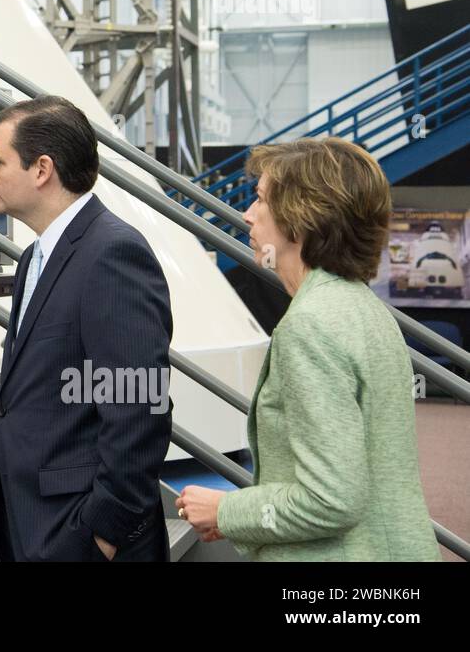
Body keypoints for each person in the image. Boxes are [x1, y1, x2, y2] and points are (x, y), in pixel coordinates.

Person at [176, 138, 440, 561]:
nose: (247, 215)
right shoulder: (364, 309)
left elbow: (332, 498)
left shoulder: (311, 325)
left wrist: (226, 511)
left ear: (300, 218)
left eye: (260, 199)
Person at [0, 96, 173, 562]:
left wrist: (100, 536)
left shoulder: (112, 254)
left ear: (42, 169)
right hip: (28, 521)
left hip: (77, 535)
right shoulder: (33, 259)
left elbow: (139, 406)